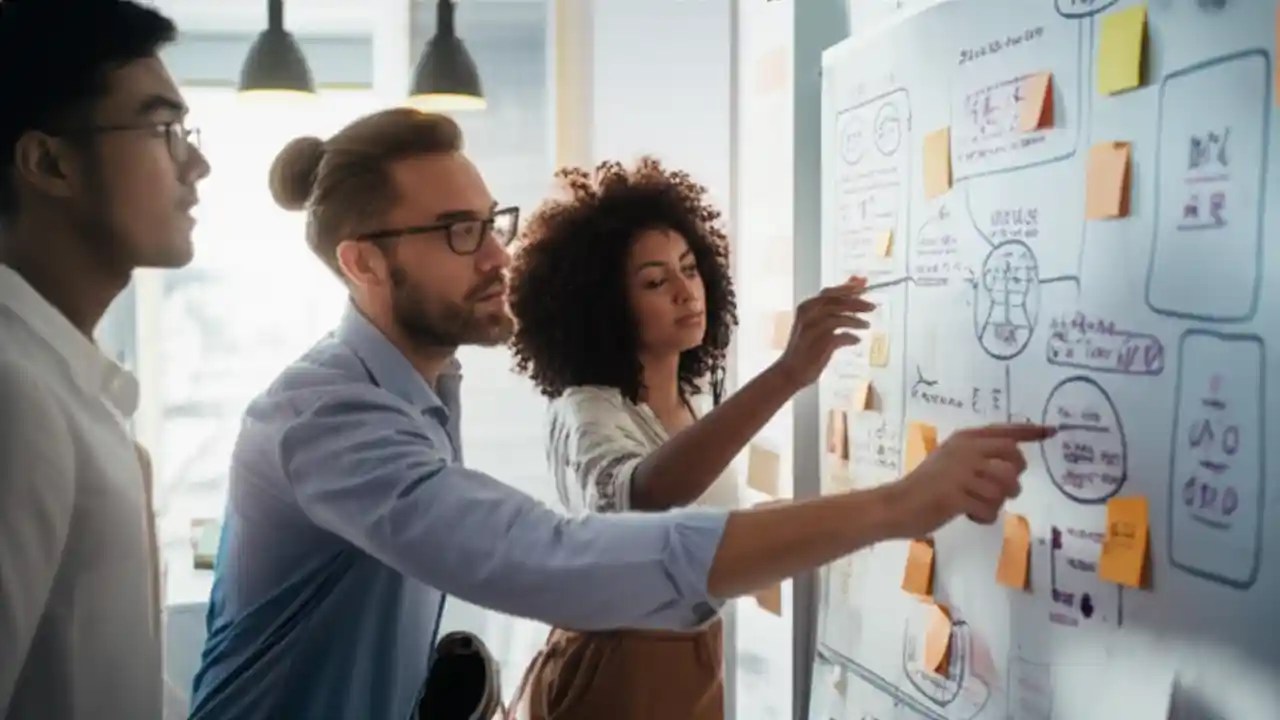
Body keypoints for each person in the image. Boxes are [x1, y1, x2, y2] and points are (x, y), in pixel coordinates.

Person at [187, 107, 1054, 720]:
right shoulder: (328, 415)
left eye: (492, 222)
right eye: (458, 231)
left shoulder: (417, 397)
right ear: (363, 264)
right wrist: (900, 505)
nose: (497, 254)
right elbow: (547, 552)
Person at [504, 157, 854, 717]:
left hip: (694, 656)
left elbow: (708, 532)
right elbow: (645, 495)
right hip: (616, 668)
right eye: (654, 281)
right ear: (604, 307)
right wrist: (787, 373)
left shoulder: (695, 402)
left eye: (689, 268)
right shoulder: (587, 409)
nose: (685, 292)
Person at [0, 1, 211, 718]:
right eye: (163, 130)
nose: (196, 163)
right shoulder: (14, 393)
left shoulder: (68, 384)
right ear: (48, 162)